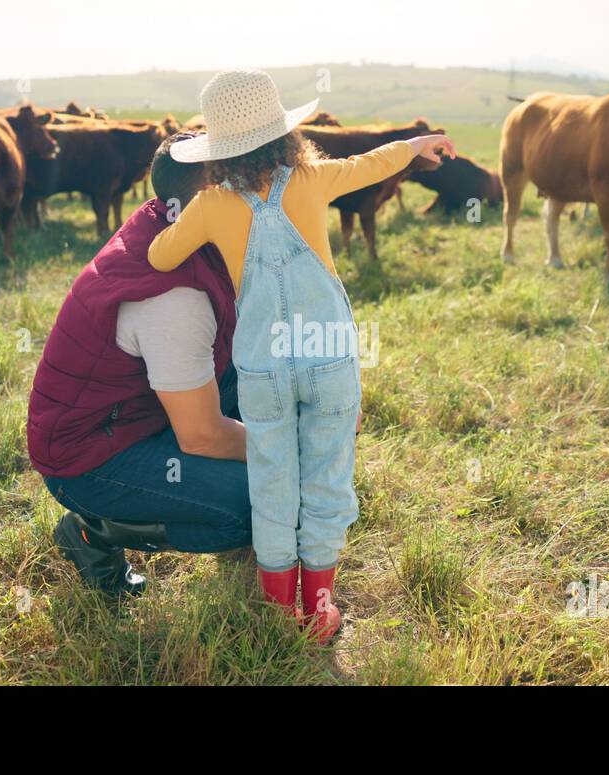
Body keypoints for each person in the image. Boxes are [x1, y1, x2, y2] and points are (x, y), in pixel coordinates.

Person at [148, 70, 455, 641]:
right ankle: (318, 609)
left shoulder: (210, 204)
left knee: (272, 479)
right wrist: (417, 144)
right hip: (328, 359)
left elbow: (161, 257)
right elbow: (372, 163)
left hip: (262, 366)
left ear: (218, 151)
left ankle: (278, 608)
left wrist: (181, 219)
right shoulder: (314, 179)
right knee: (328, 475)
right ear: (284, 134)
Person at [27, 132, 252, 596]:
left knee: (262, 384)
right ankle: (95, 532)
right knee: (263, 499)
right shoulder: (175, 296)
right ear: (210, 197)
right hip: (91, 458)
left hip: (135, 413)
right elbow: (202, 435)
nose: (263, 195)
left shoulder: (169, 226)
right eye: (248, 183)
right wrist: (293, 448)